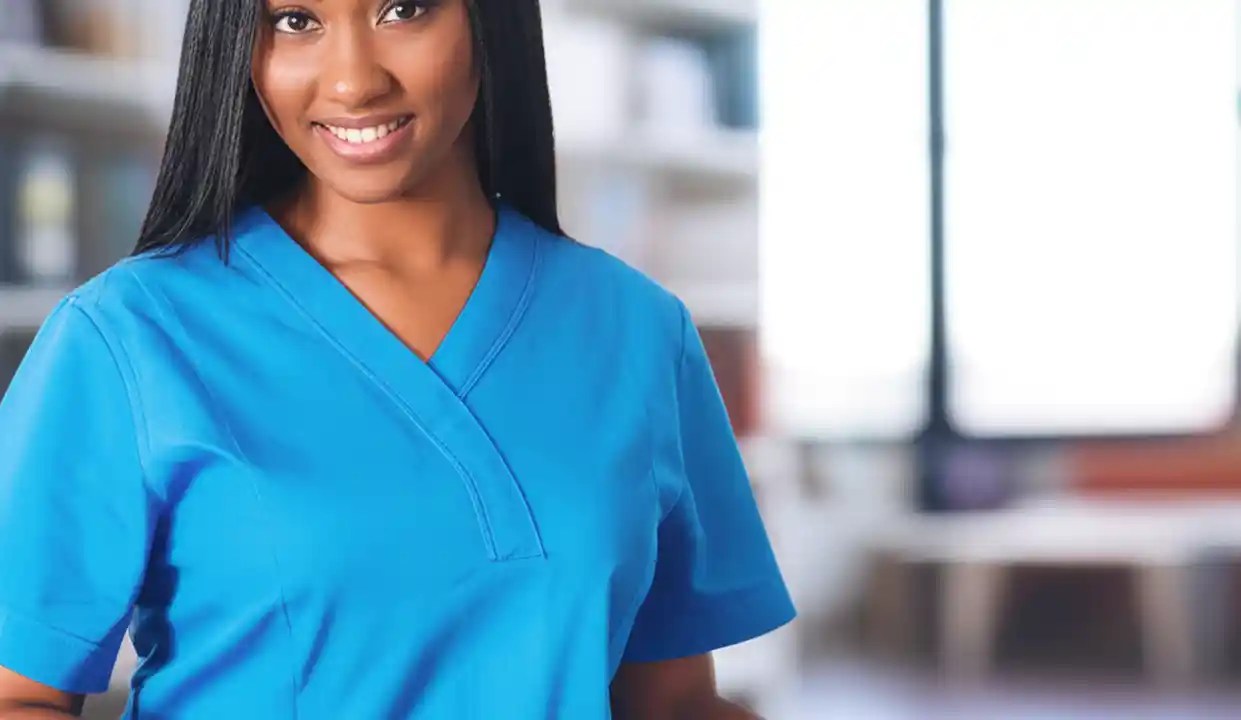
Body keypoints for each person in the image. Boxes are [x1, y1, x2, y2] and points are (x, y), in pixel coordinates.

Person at [0, 0, 797, 717]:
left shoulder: (638, 331)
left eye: (404, 9)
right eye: (294, 20)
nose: (352, 81)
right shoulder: (127, 337)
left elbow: (675, 702)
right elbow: (18, 696)